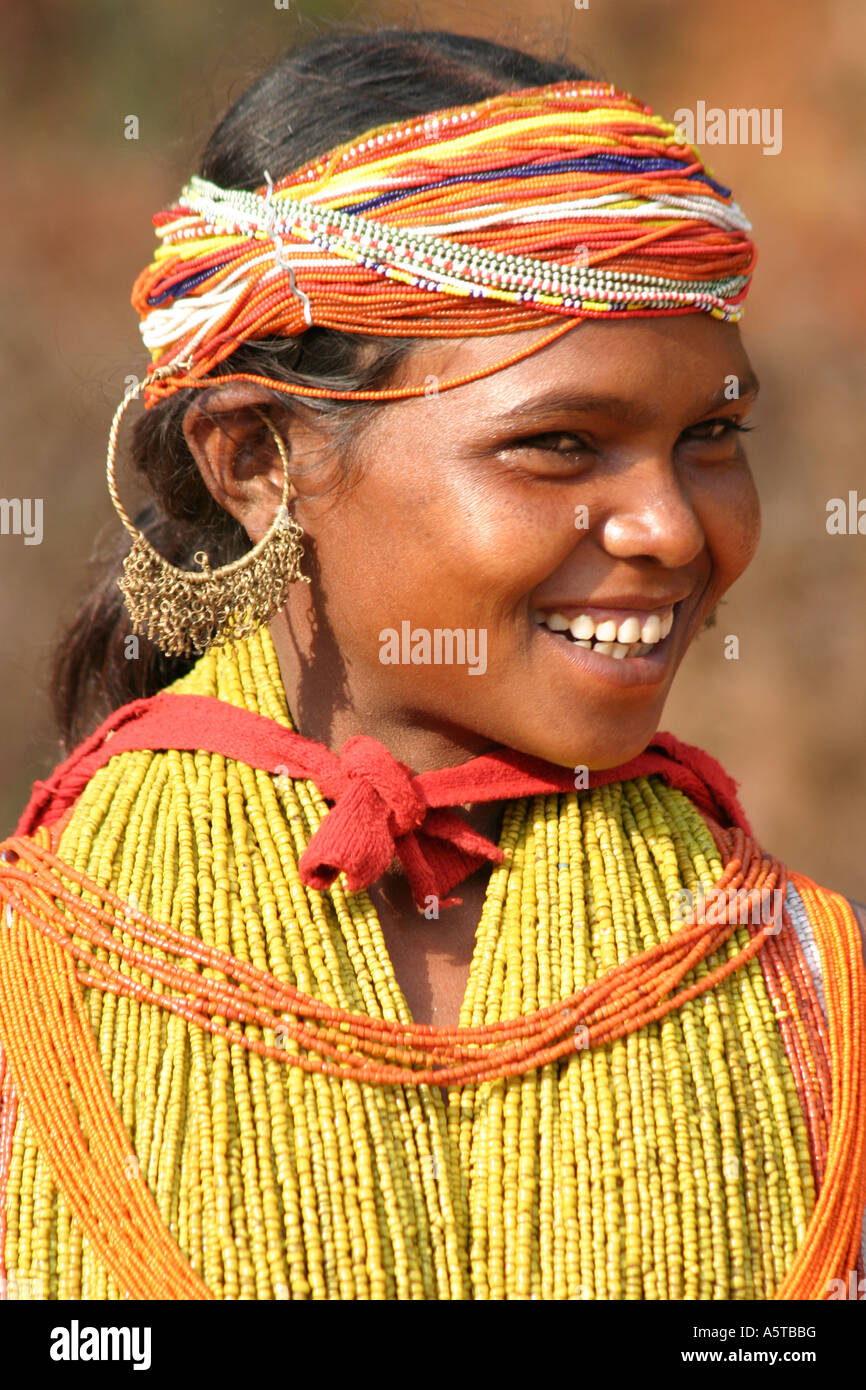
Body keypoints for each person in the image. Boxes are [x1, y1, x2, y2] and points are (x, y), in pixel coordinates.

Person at [0, 28, 863, 1302]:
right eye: (561, 444)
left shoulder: (799, 982)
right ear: (254, 462)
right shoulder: (43, 983)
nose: (672, 528)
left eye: (710, 436)